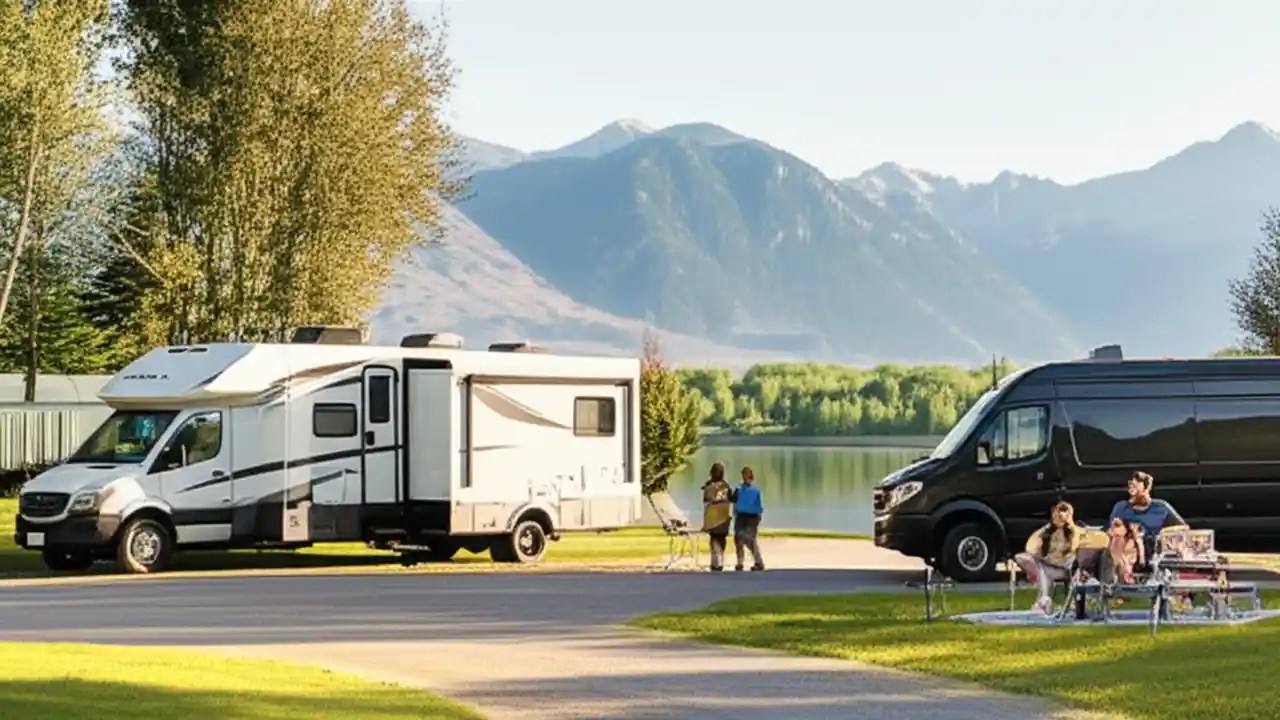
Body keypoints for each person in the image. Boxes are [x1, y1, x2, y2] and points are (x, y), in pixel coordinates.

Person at [1100, 471, 1188, 583]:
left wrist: (1164, 533)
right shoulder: (1121, 508)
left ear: (1147, 488)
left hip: (1152, 547)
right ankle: (1111, 586)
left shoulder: (1161, 508)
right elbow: (1111, 530)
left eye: (1136, 487)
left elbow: (1184, 528)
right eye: (1131, 487)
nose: (1132, 492)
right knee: (1110, 550)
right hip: (1126, 548)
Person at [1014, 501, 1081, 614]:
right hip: (1049, 567)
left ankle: (1043, 600)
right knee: (1030, 560)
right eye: (1056, 513)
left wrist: (1070, 523)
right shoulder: (1048, 532)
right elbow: (1030, 548)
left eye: (1063, 512)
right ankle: (1044, 600)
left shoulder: (1074, 531)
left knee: (1042, 567)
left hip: (1067, 569)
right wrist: (1048, 527)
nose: (1060, 516)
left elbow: (1074, 547)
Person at [701, 462, 733, 571]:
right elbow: (731, 499)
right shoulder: (726, 486)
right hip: (724, 516)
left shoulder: (708, 486)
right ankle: (720, 560)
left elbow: (705, 500)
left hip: (712, 517)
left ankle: (715, 560)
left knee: (714, 538)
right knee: (722, 538)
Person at [732, 466, 765, 571]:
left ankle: (758, 562)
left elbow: (758, 506)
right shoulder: (740, 489)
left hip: (750, 516)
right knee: (740, 540)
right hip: (744, 515)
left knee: (749, 540)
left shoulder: (751, 490)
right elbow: (734, 500)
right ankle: (740, 562)